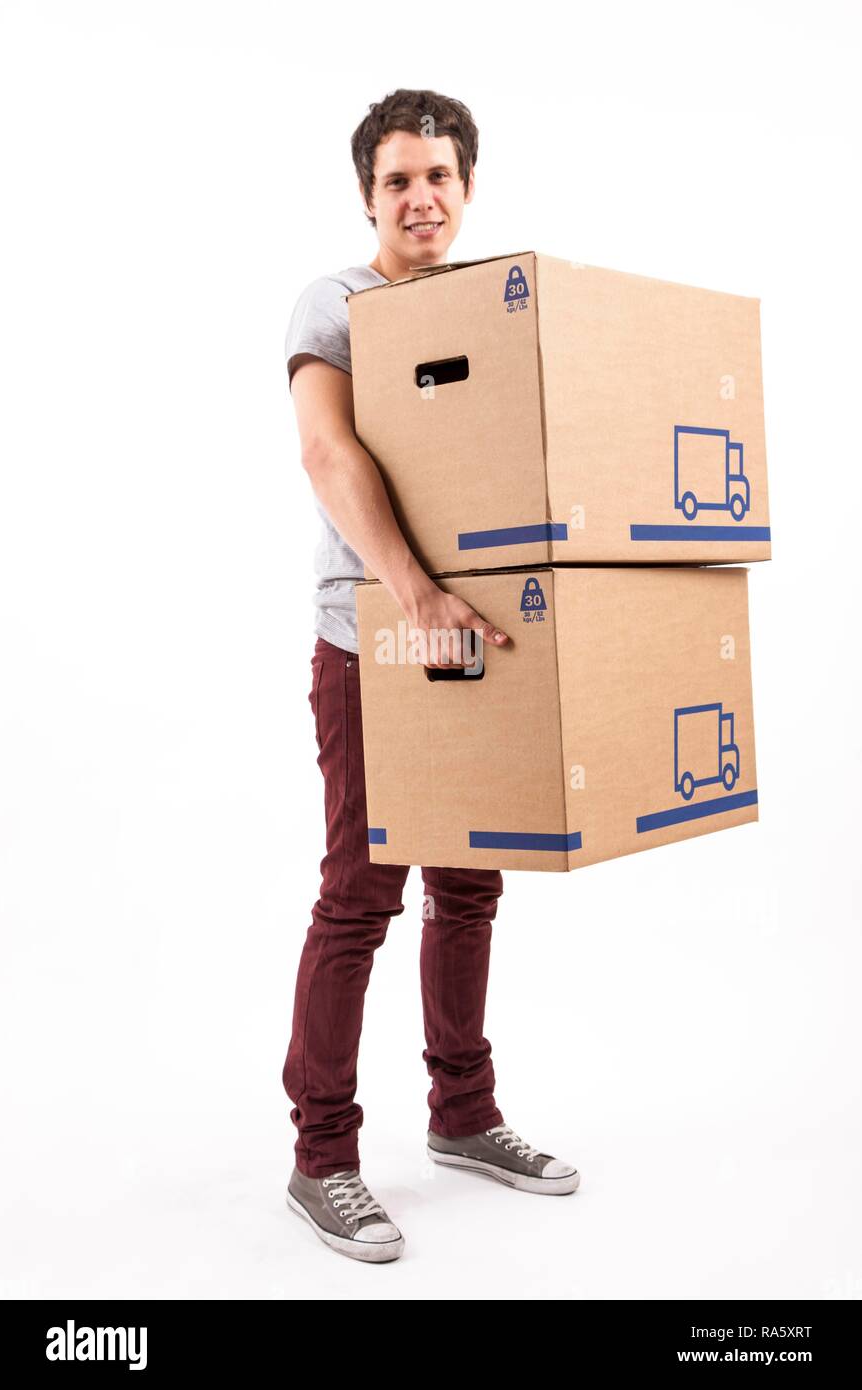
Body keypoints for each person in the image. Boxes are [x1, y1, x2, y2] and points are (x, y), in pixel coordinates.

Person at [281, 88, 580, 1265]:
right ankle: (321, 1157)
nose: (420, 197)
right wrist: (414, 596)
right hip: (378, 639)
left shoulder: (487, 308)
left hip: (479, 637)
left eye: (439, 177)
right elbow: (326, 449)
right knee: (360, 896)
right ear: (369, 194)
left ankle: (461, 1115)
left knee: (469, 888)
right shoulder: (337, 304)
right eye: (398, 178)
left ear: (467, 191)